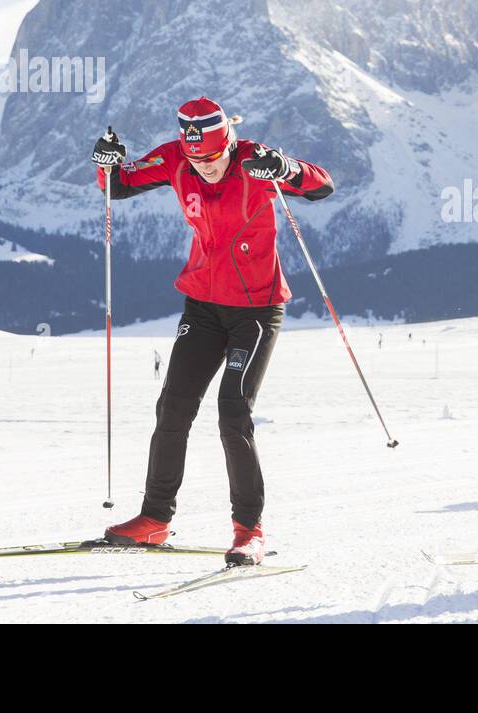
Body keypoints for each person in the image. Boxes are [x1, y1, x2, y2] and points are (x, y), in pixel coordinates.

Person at [90, 97, 334, 565]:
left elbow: (322, 185)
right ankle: (154, 518)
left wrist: (284, 168)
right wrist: (106, 164)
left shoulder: (253, 159)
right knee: (173, 408)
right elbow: (117, 187)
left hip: (256, 311)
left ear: (230, 143)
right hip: (203, 304)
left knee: (232, 414)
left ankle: (249, 530)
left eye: (214, 157)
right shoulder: (174, 159)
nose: (206, 167)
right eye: (197, 159)